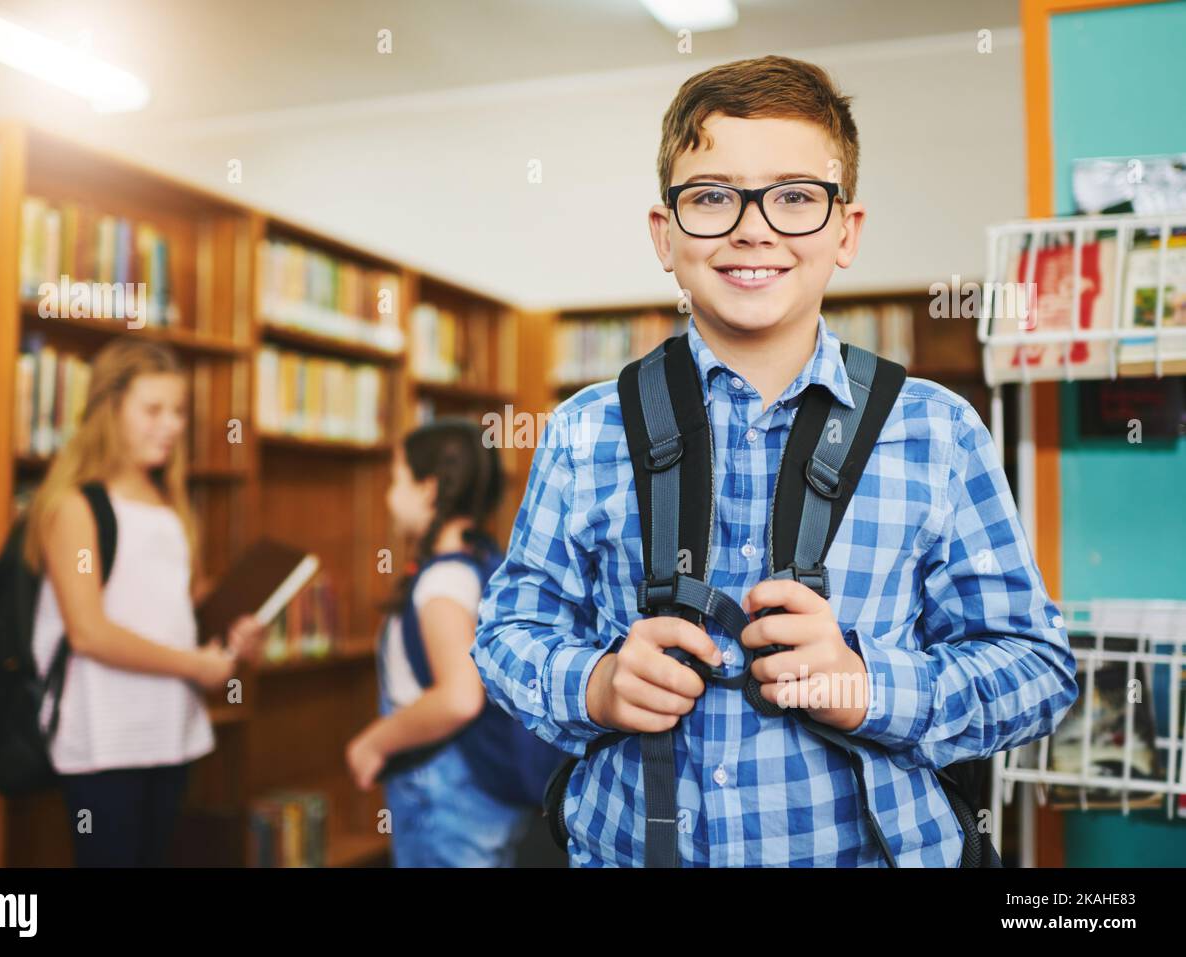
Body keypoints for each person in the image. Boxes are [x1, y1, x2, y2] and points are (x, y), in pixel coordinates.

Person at [472, 55, 1079, 867]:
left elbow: (1038, 669)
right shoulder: (585, 430)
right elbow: (509, 630)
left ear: (846, 231)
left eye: (795, 196)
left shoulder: (940, 431)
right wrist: (597, 684)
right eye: (712, 197)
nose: (752, 228)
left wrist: (871, 686)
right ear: (665, 234)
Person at [25, 338, 264, 867]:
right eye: (153, 409)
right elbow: (88, 631)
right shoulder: (76, 507)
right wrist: (196, 666)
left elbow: (175, 605)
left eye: (179, 411)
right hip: (106, 737)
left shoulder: (169, 505)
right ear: (110, 410)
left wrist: (237, 630)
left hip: (168, 731)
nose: (172, 425)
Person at [346, 419, 532, 867]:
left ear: (429, 489)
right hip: (485, 791)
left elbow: (459, 698)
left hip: (448, 793)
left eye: (396, 480)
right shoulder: (487, 560)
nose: (390, 496)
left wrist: (373, 743)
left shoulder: (443, 582)